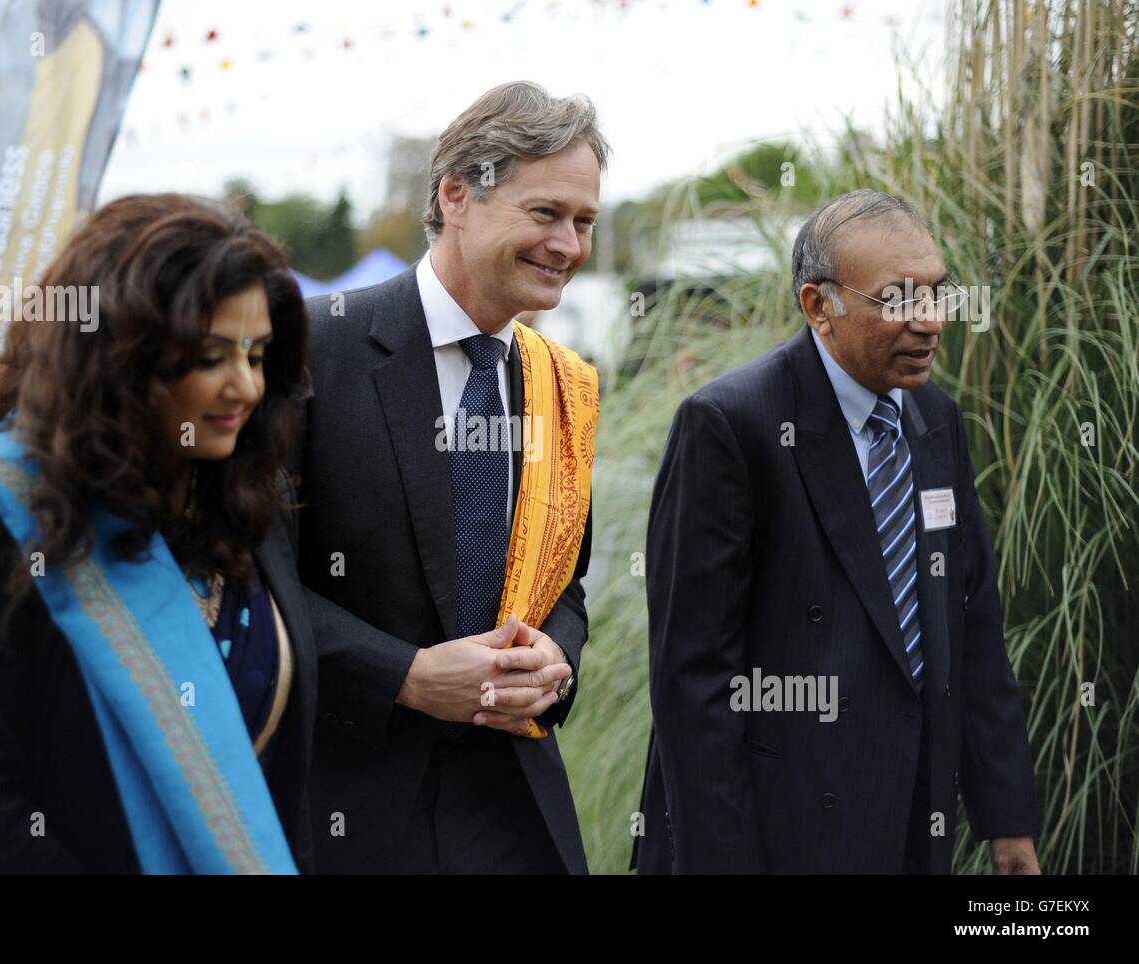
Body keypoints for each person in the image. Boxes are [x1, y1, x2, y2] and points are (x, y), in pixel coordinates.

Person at [0, 193, 315, 874]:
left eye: (258, 353)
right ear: (120, 355)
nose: (244, 386)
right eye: (210, 355)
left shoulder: (241, 502)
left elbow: (275, 775)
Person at [634, 190, 1041, 874]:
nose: (930, 321)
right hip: (778, 829)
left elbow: (971, 629)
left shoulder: (936, 420)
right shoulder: (732, 426)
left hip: (914, 819)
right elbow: (693, 680)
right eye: (898, 298)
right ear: (820, 307)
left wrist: (1008, 821)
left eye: (938, 294)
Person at [294, 81, 605, 873]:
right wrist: (406, 676)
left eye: (584, 221)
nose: (569, 245)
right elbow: (246, 580)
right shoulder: (312, 349)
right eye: (546, 214)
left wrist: (556, 662)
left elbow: (565, 581)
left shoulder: (563, 382)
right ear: (456, 195)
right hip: (346, 813)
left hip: (517, 814)